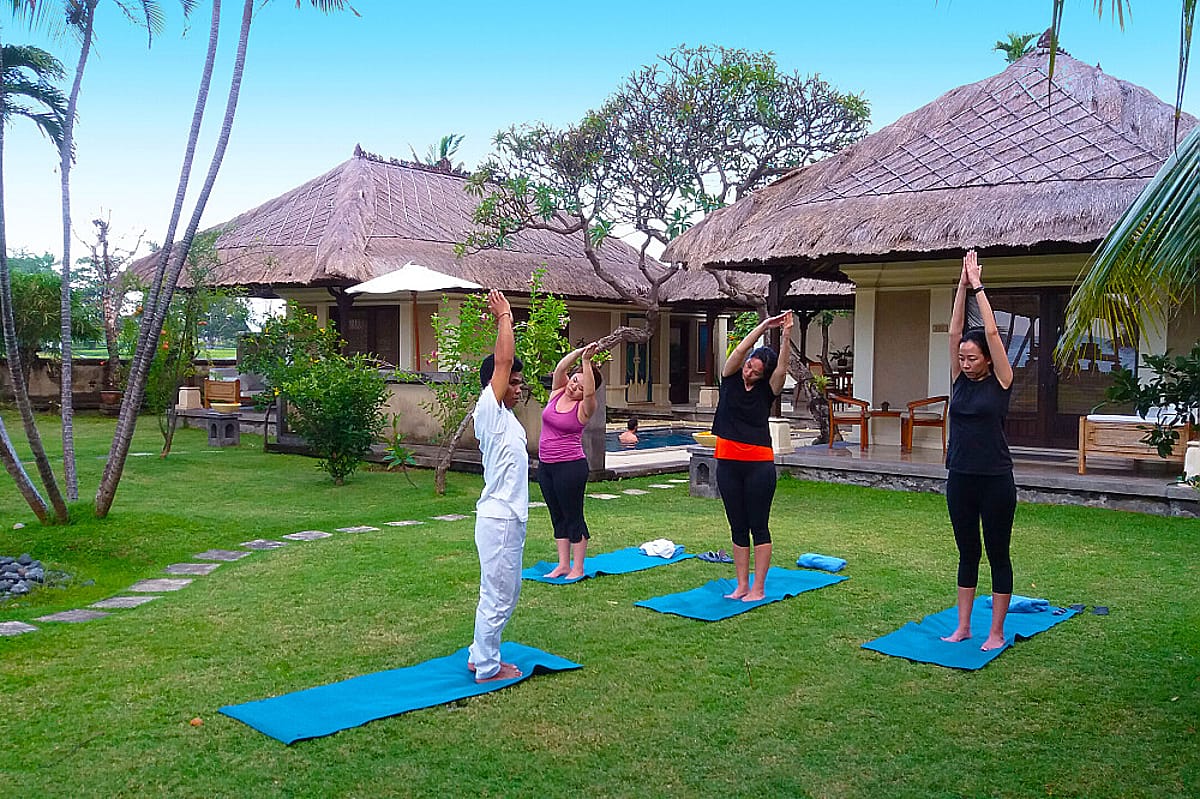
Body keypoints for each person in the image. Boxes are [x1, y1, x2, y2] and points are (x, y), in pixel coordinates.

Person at [942, 249, 1016, 652]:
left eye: (971, 359)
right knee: (967, 552)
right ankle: (965, 626)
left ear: (987, 360)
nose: (965, 362)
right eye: (962, 359)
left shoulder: (1001, 380)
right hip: (961, 478)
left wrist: (980, 288)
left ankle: (996, 631)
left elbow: (989, 334)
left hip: (995, 480)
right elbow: (955, 333)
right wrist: (961, 285)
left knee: (998, 554)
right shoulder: (960, 381)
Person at [468, 289, 528, 682]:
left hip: (506, 518)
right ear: (496, 383)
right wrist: (505, 317)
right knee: (500, 595)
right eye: (514, 382)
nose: (520, 387)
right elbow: (502, 360)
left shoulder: (507, 417)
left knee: (500, 591)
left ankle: (478, 655)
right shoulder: (488, 409)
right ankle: (489, 667)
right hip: (500, 518)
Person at [713, 310, 793, 601]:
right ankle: (741, 585)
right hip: (728, 462)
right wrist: (763, 326)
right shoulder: (731, 377)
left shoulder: (767, 390)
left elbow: (782, 370)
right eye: (749, 367)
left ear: (763, 376)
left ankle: (758, 587)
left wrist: (785, 338)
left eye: (756, 371)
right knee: (737, 525)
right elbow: (739, 350)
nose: (749, 372)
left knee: (758, 524)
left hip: (758, 465)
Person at [538, 342, 602, 580]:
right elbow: (559, 369)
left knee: (573, 515)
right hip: (546, 466)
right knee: (557, 515)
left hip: (570, 467)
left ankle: (578, 567)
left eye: (579, 386)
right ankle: (563, 564)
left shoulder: (585, 408)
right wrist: (580, 353)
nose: (573, 386)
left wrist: (587, 364)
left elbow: (589, 393)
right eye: (574, 380)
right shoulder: (557, 393)